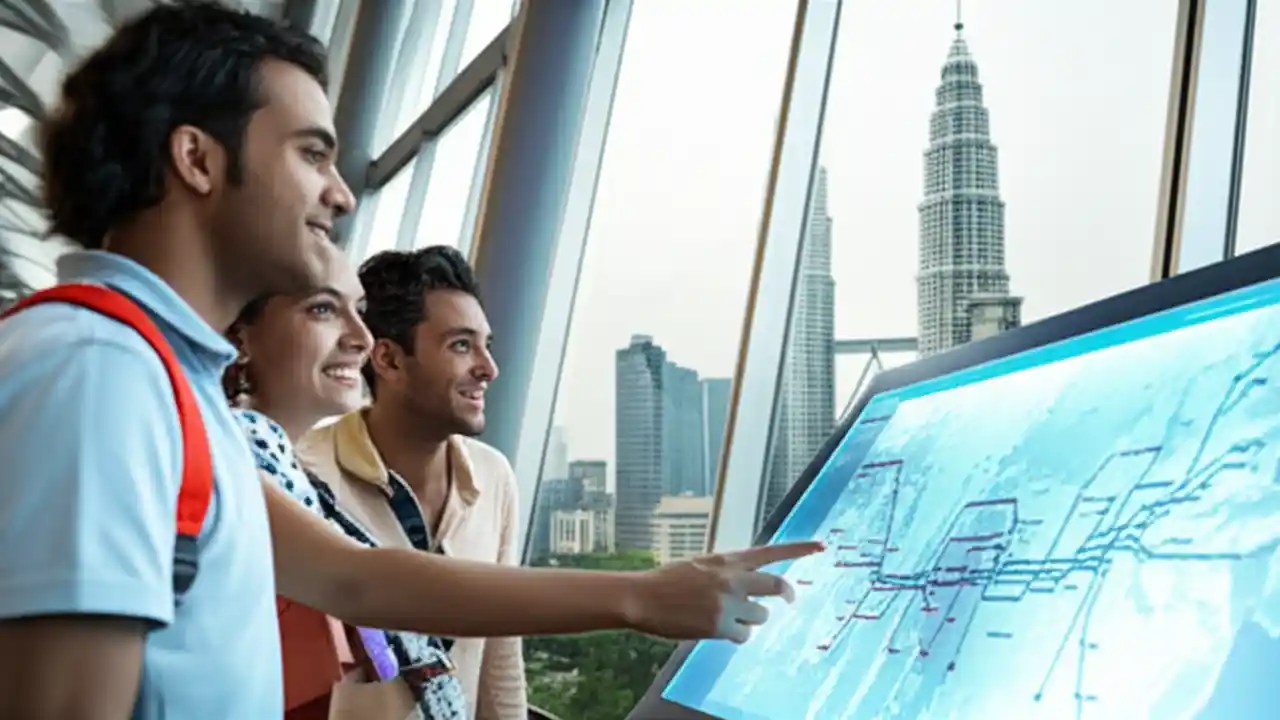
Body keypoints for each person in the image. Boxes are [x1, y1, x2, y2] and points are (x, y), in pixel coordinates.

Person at [0, 3, 821, 718]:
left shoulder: (164, 387)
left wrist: (642, 595)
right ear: (198, 160)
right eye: (311, 154)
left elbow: (356, 579)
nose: (342, 192)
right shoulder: (97, 375)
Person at [228, 240, 469, 719]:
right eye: (322, 309)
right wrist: (629, 597)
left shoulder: (289, 468)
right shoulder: (238, 453)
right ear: (239, 335)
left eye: (358, 312)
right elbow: (357, 582)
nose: (362, 337)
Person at [296, 246, 525, 719]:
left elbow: (500, 662)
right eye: (461, 345)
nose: (488, 368)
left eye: (487, 344)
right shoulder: (306, 474)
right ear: (389, 360)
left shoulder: (493, 476)